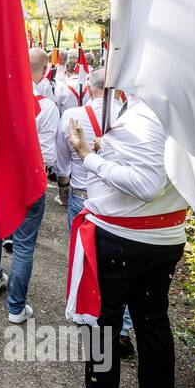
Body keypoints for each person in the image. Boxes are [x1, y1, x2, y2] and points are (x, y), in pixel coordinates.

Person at [65, 96, 188, 388]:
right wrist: (106, 148)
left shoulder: (147, 112)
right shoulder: (184, 106)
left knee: (103, 328)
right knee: (153, 326)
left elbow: (148, 182)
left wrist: (89, 156)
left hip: (123, 238)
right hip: (163, 235)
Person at [55, 70, 134, 355]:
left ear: (89, 87)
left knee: (83, 257)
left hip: (82, 193)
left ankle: (87, 313)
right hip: (119, 199)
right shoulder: (128, 118)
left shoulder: (72, 115)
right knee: (119, 267)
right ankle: (122, 329)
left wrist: (63, 183)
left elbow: (61, 158)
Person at [0, 47, 57, 324]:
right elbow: (48, 156)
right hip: (29, 180)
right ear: (44, 72)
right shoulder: (46, 107)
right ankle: (15, 308)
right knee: (23, 244)